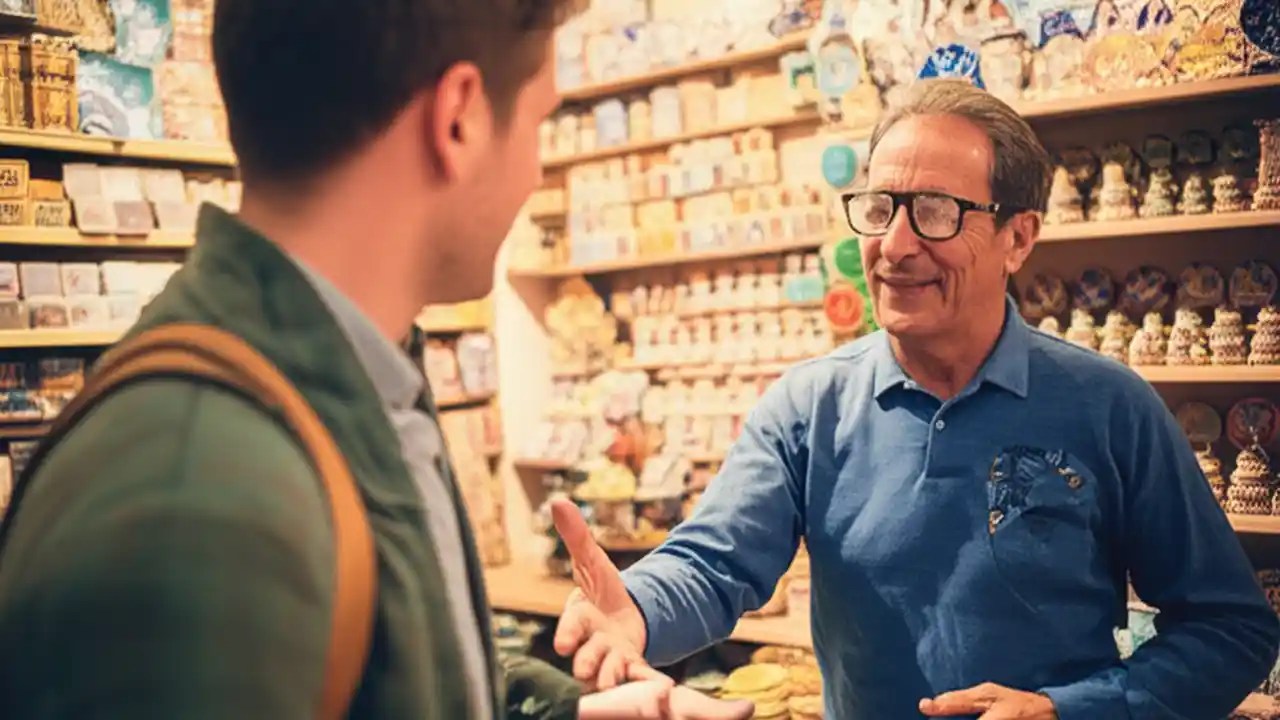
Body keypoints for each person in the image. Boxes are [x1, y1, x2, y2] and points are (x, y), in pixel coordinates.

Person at [0, 2, 751, 719]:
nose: (533, 173)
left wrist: (563, 712)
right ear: (457, 118)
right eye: (539, 121)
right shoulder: (195, 500)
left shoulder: (348, 384)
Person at [551, 79, 1280, 719]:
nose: (894, 245)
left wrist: (1071, 711)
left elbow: (1229, 628)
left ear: (1018, 237)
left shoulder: (1109, 406)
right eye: (878, 207)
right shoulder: (809, 408)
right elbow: (715, 564)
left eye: (934, 210)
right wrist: (638, 609)